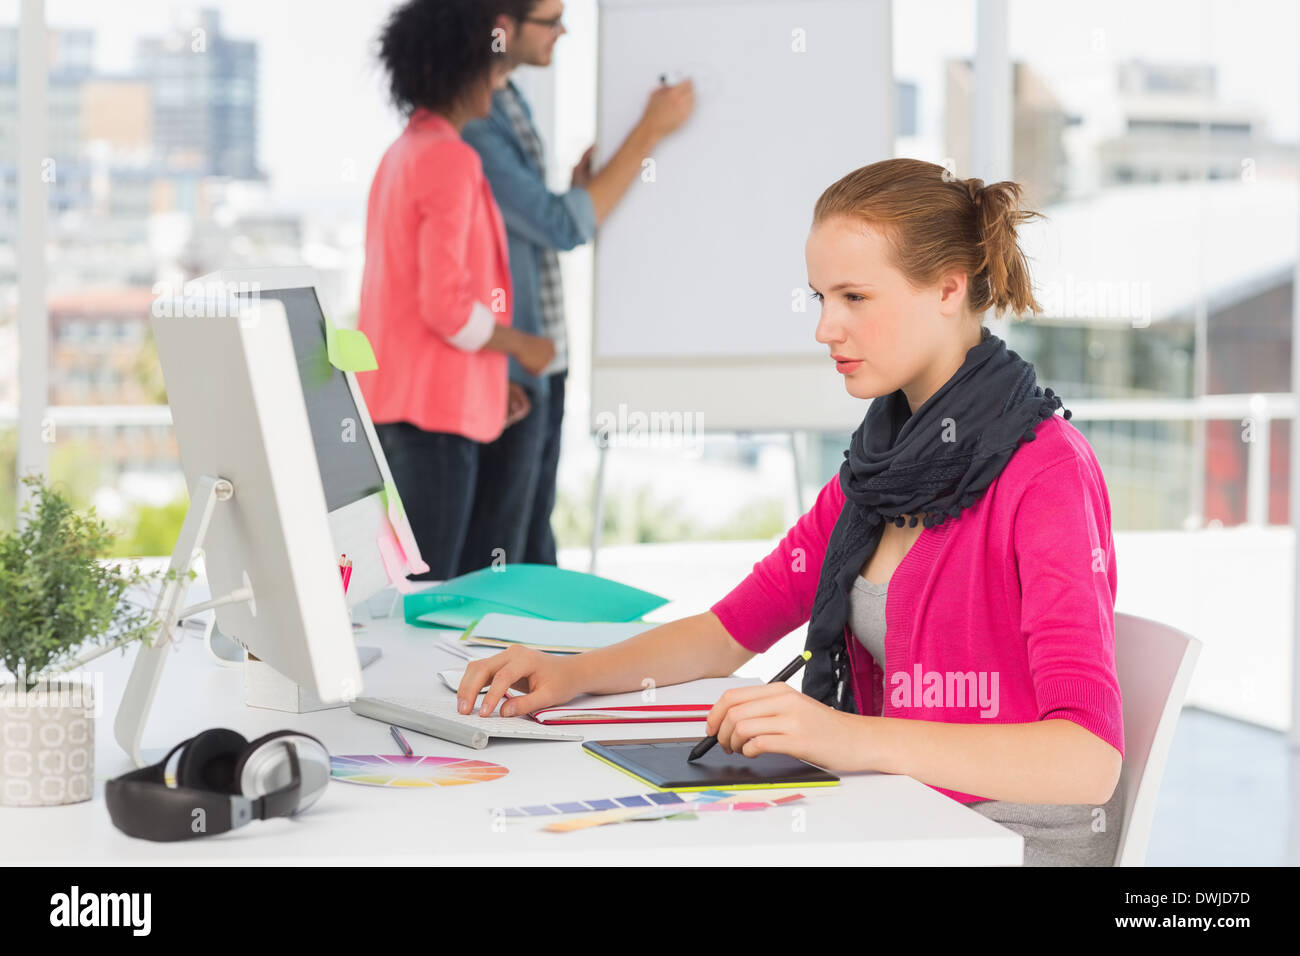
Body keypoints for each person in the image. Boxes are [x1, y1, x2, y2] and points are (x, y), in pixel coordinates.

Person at [456, 158, 1127, 866]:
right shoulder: (880, 469)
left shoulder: (1047, 469)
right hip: (902, 816)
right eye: (819, 298)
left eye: (855, 297)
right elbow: (725, 633)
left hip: (1004, 842)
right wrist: (572, 674)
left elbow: (1087, 760)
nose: (825, 328)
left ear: (948, 289)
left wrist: (841, 736)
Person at [460, 0, 694, 569]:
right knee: (504, 550)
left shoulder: (510, 98)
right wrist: (650, 131)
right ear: (502, 27)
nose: (563, 30)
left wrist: (572, 191)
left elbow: (538, 221)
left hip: (545, 355)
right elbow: (560, 225)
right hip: (515, 364)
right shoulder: (472, 117)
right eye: (551, 19)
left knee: (534, 541)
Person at [357, 0, 556, 581]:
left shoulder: (402, 154)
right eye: (489, 66)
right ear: (461, 68)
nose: (497, 80)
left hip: (398, 408)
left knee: (407, 583)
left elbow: (410, 300)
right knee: (432, 592)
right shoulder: (450, 159)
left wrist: (491, 379)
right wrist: (522, 347)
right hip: (435, 423)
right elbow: (446, 306)